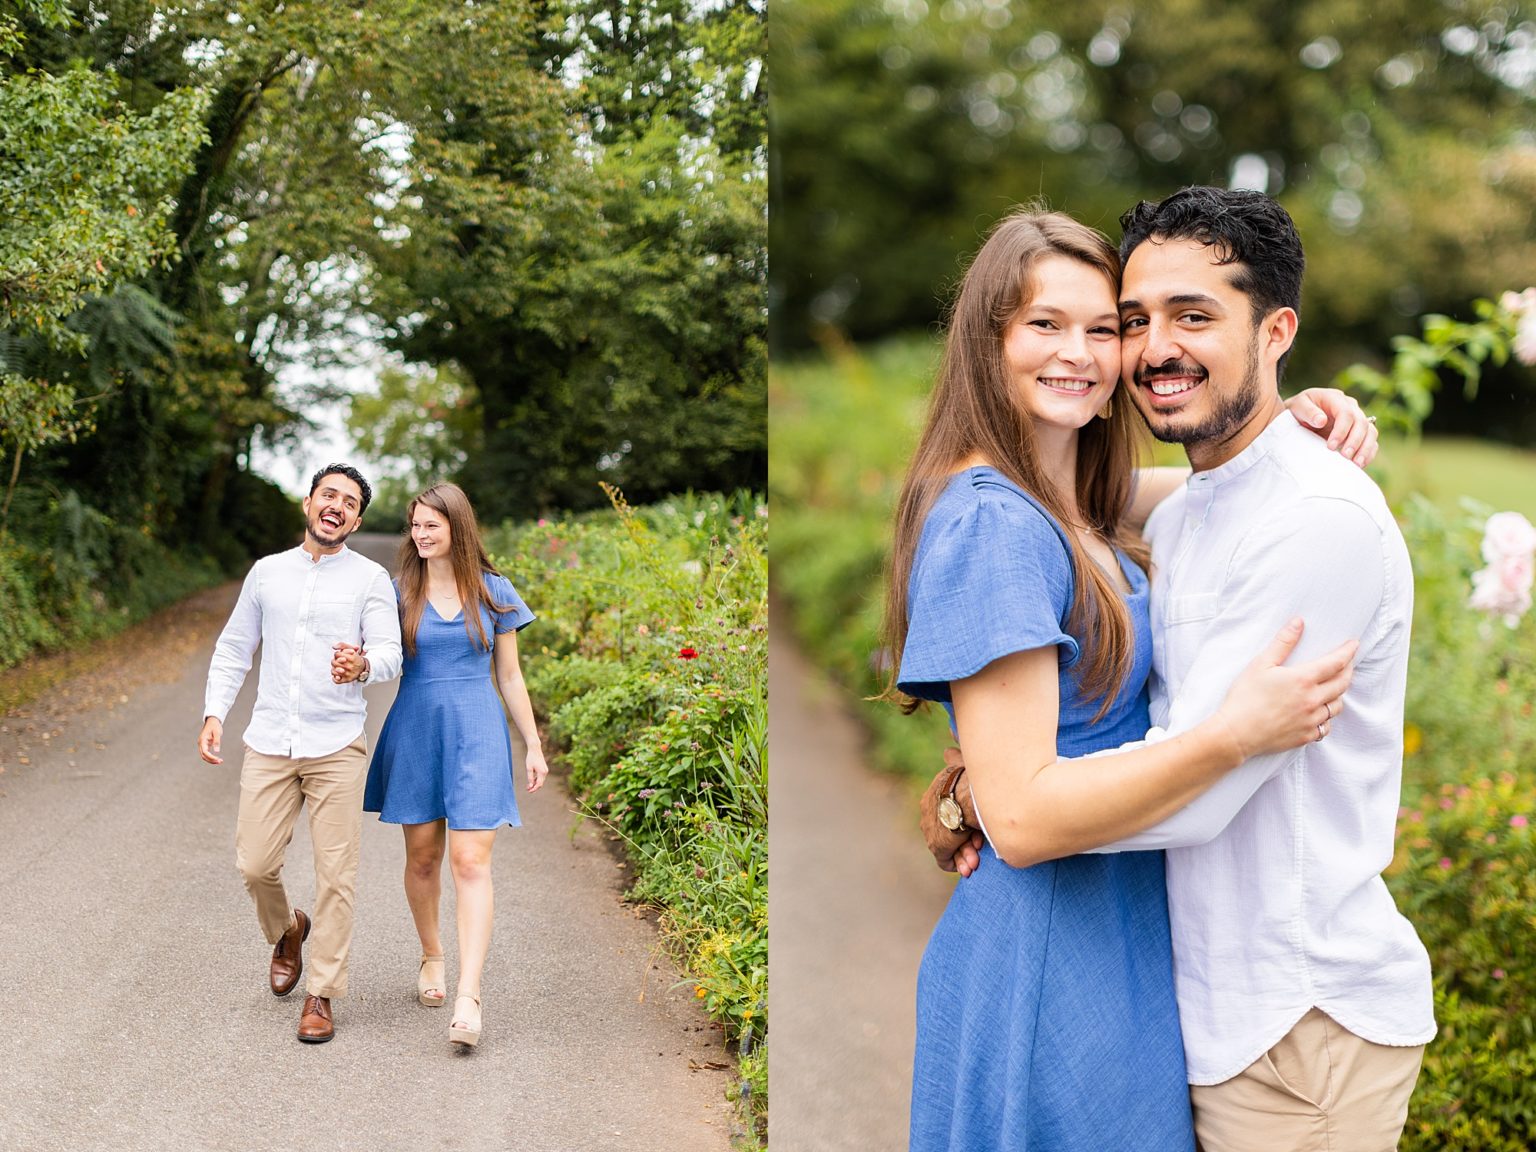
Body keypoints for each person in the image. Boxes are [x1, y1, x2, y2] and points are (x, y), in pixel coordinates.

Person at [924, 188, 1435, 1152]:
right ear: (986, 342)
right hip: (1168, 996)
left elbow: (1188, 802)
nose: (1150, 347)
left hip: (1293, 1028)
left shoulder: (1311, 518)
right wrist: (978, 792)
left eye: (1193, 316)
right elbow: (1044, 528)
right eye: (1137, 320)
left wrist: (997, 803)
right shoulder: (1179, 506)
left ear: (1276, 330)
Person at [199, 463, 402, 1044]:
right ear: (309, 503)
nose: (336, 506)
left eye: (349, 502)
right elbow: (236, 646)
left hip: (336, 744)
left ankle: (322, 993)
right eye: (328, 495)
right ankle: (289, 929)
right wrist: (215, 712)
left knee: (337, 875)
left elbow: (390, 651)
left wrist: (364, 664)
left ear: (357, 519)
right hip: (269, 741)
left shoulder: (368, 579)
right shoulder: (267, 573)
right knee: (255, 865)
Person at [349, 481, 548, 1049]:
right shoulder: (397, 590)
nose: (420, 535)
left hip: (480, 731)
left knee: (469, 860)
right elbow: (375, 657)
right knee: (423, 857)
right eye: (415, 526)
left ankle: (469, 994)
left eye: (431, 525)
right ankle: (432, 955)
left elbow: (509, 676)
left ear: (457, 527)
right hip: (416, 729)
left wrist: (532, 744)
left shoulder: (494, 589)